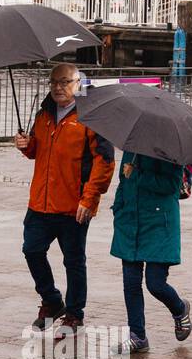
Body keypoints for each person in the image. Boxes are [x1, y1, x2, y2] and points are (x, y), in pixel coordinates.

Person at [14, 63, 116, 333]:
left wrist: (90, 198)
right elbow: (39, 150)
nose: (58, 88)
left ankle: (74, 313)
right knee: (32, 250)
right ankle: (51, 300)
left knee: (74, 260)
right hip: (40, 202)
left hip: (74, 205)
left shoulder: (91, 117)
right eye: (54, 82)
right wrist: (27, 146)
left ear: (78, 83)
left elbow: (104, 162)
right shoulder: (43, 114)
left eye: (65, 82)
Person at [109, 151, 192, 352]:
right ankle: (138, 336)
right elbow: (123, 179)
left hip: (159, 224)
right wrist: (118, 207)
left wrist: (137, 174)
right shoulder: (133, 146)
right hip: (130, 221)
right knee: (130, 282)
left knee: (155, 283)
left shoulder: (170, 150)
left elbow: (171, 186)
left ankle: (180, 309)